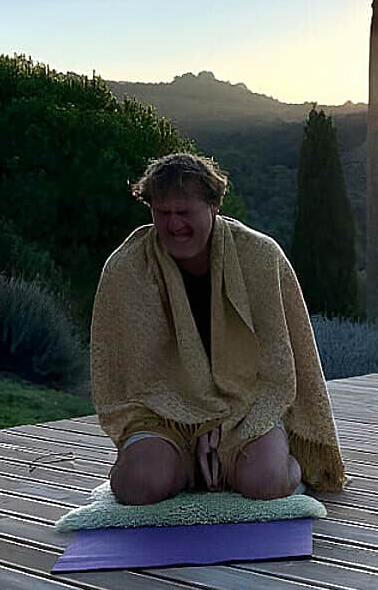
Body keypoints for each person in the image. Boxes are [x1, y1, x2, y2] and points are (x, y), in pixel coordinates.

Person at [90, 153, 346, 505]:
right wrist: (193, 420)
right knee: (138, 485)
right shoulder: (127, 267)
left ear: (213, 206)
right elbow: (131, 381)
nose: (173, 224)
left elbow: (278, 365)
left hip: (246, 407)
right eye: (162, 213)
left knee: (265, 481)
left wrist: (223, 422)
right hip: (163, 415)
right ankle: (180, 465)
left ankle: (274, 459)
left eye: (184, 212)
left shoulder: (259, 256)